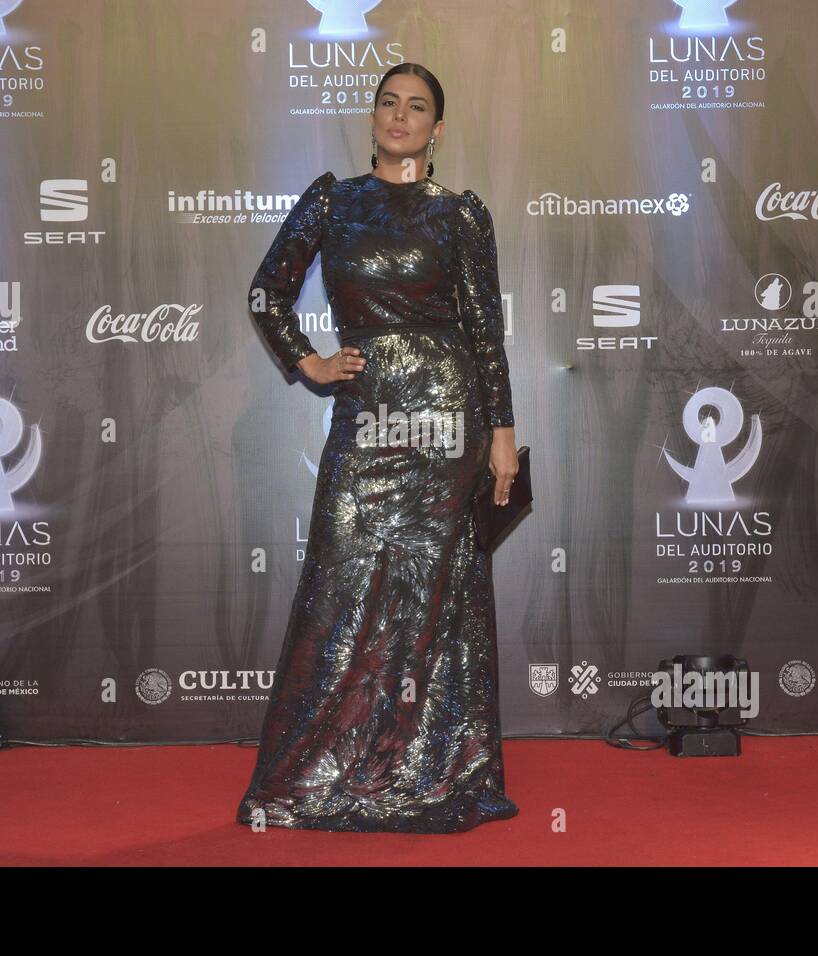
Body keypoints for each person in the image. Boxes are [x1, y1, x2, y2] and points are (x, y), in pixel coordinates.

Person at [236, 62, 521, 833]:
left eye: (417, 106)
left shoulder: (459, 214)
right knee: (339, 583)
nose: (400, 116)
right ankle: (317, 777)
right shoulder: (333, 200)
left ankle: (421, 770)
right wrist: (311, 361)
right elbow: (267, 291)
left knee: (433, 598)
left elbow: (486, 335)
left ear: (436, 127)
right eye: (388, 103)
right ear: (372, 118)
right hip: (366, 422)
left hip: (444, 425)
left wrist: (502, 436)